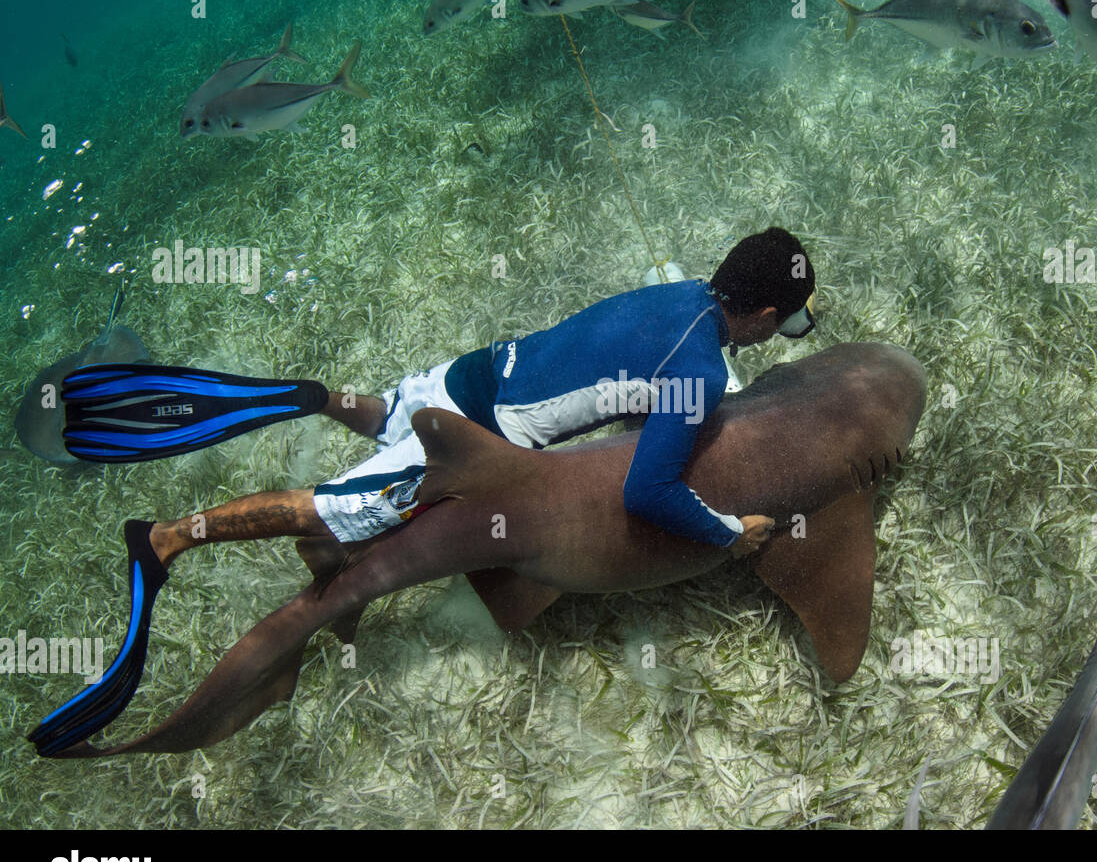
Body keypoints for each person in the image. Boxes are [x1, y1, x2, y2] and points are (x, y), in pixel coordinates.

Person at [30, 227, 816, 755]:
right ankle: (167, 537)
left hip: (469, 371)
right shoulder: (701, 373)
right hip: (481, 428)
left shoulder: (681, 293)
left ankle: (318, 420)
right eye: (782, 324)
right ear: (766, 314)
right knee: (330, 507)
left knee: (377, 425)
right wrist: (726, 532)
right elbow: (649, 488)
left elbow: (637, 358)